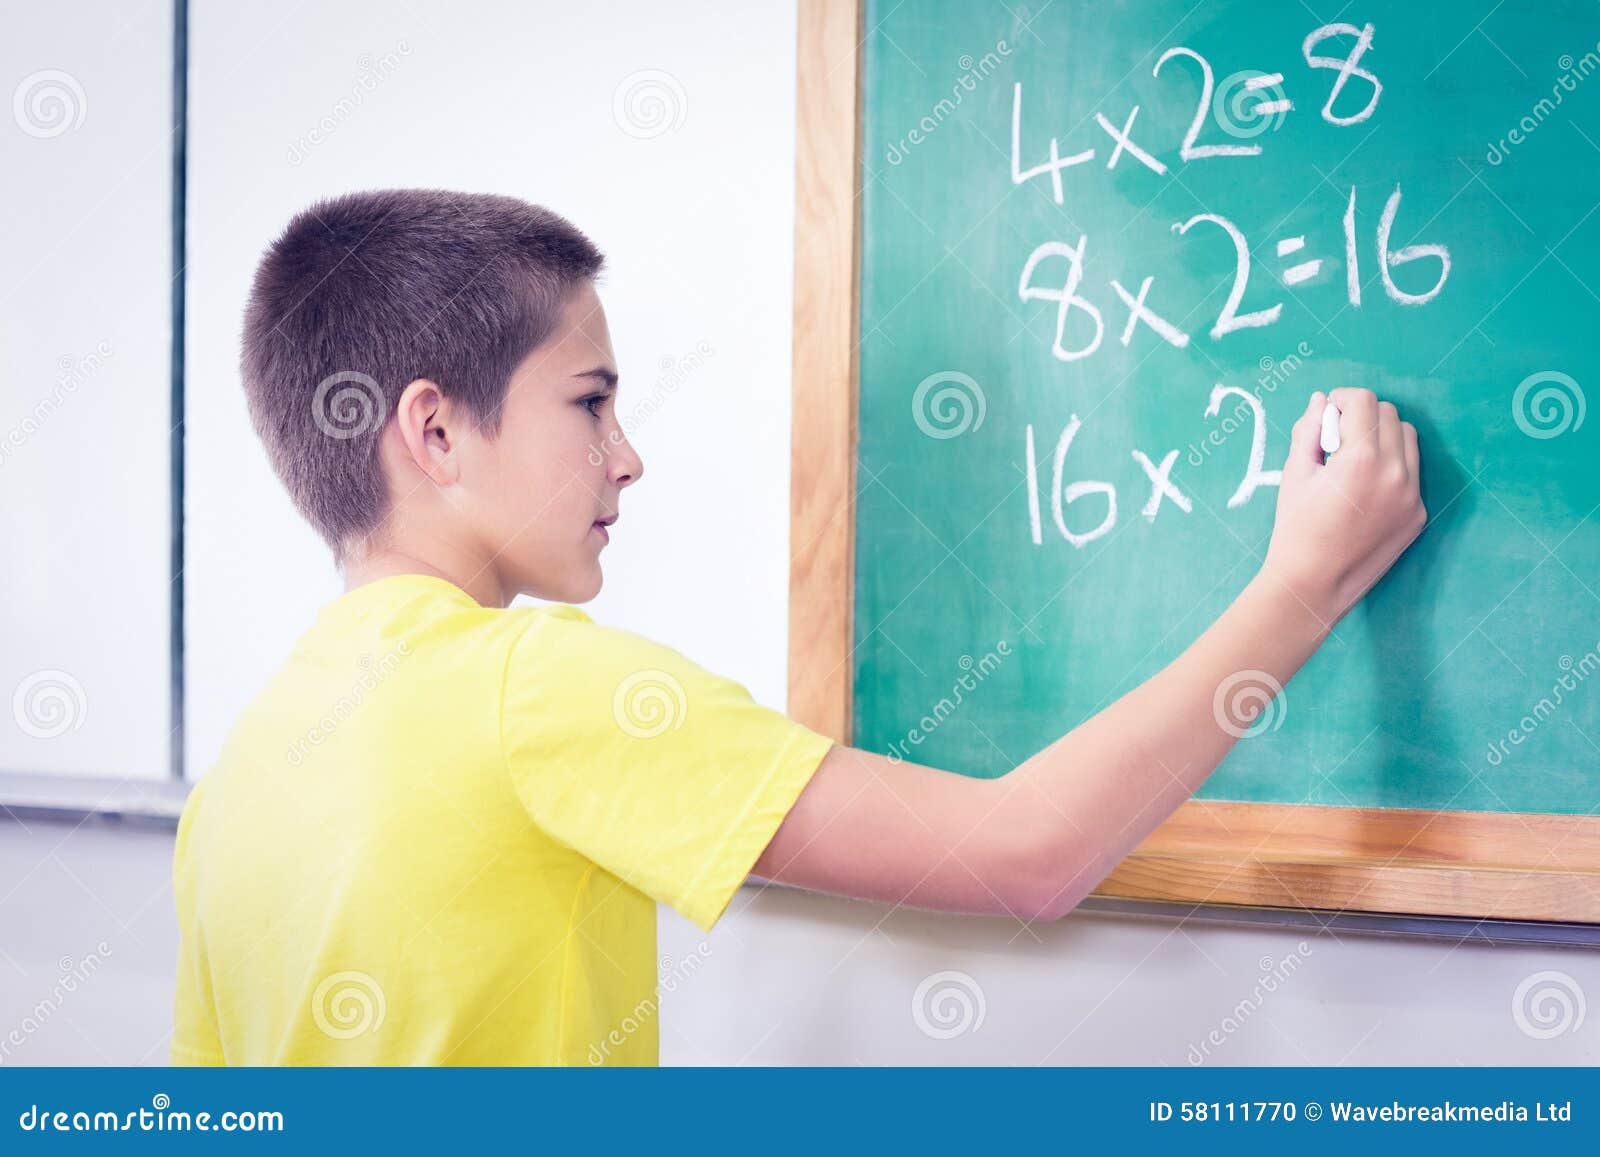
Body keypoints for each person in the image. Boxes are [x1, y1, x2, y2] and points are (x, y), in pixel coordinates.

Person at [171, 188, 1425, 1065]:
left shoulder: (236, 777)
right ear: (435, 431)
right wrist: (1301, 583)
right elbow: (1029, 853)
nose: (627, 457)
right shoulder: (533, 687)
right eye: (591, 402)